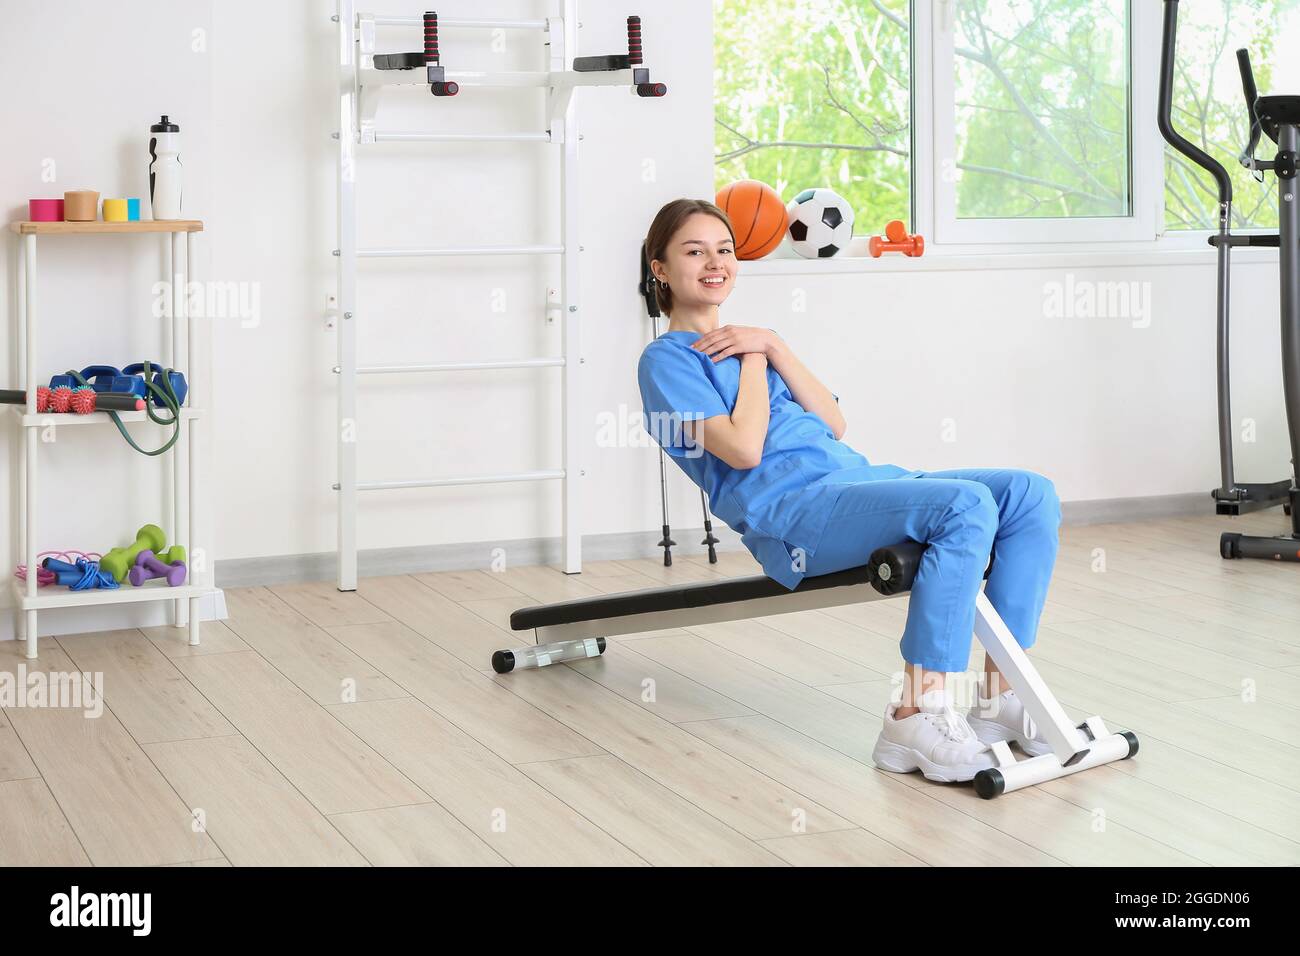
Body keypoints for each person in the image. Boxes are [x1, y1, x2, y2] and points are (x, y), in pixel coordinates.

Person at [637, 198, 1063, 785]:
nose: (716, 262)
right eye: (694, 251)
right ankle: (913, 716)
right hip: (790, 516)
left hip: (855, 480)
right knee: (965, 506)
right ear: (659, 268)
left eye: (725, 249)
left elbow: (834, 424)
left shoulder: (756, 341)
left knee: (1028, 493)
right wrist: (757, 359)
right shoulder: (664, 361)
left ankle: (998, 702)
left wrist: (773, 345)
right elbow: (743, 450)